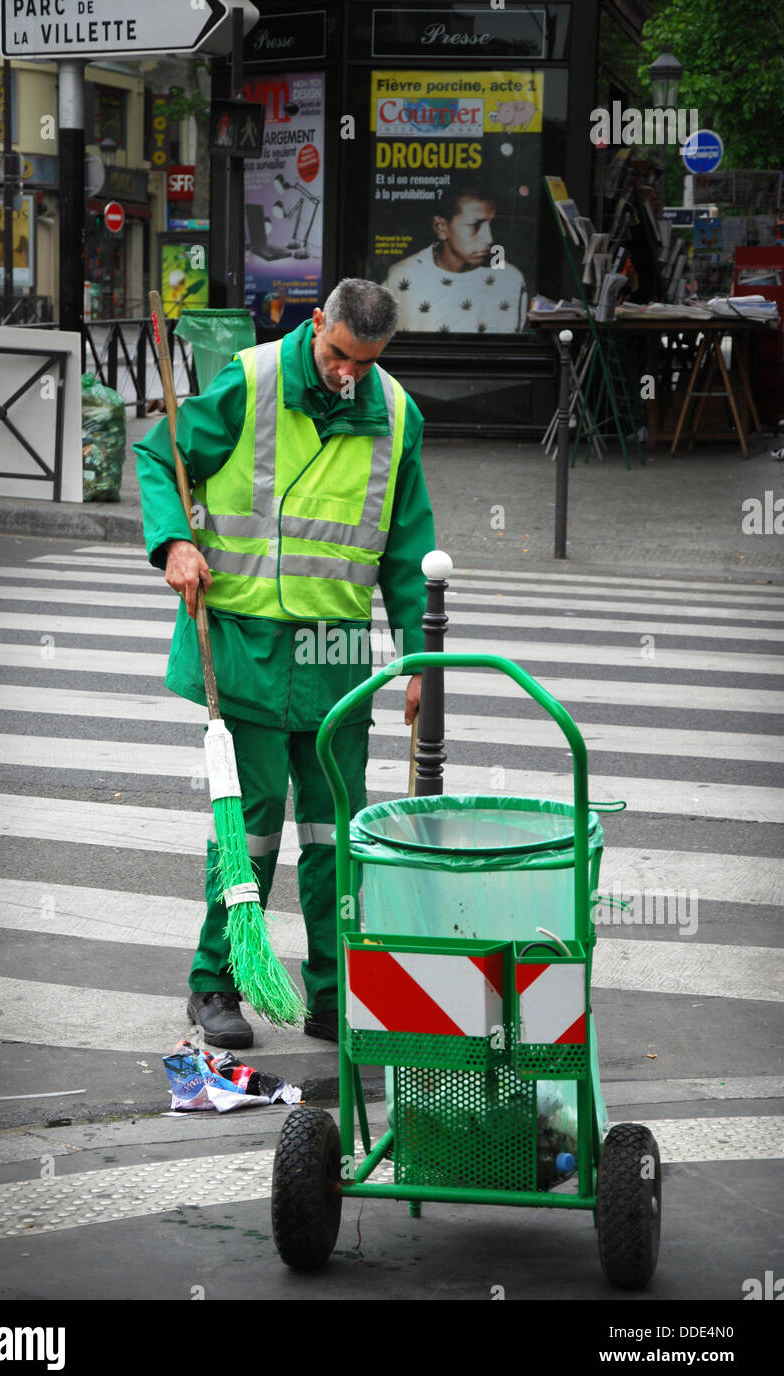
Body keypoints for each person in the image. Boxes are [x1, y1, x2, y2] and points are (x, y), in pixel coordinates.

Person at [135, 278, 436, 1048]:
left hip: (334, 656)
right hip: (246, 643)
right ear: (316, 326)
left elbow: (409, 553)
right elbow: (160, 451)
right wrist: (175, 542)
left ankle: (335, 996)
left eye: (365, 363)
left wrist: (421, 662)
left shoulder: (397, 415)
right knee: (254, 826)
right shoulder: (256, 377)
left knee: (337, 834)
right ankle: (217, 982)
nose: (348, 375)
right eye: (339, 356)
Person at [383, 181, 527, 333]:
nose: (489, 238)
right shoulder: (403, 276)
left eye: (493, 225)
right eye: (475, 226)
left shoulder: (510, 279)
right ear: (441, 227)